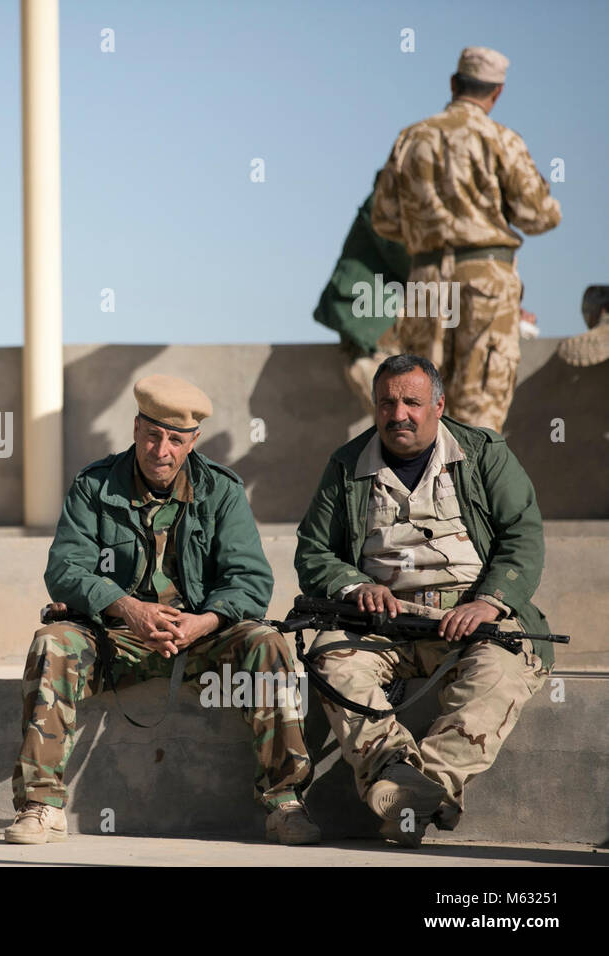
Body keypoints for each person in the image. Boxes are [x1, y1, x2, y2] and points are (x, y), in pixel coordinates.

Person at [6, 376, 319, 846]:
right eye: (152, 435)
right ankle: (41, 804)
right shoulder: (95, 486)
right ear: (135, 428)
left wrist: (204, 622)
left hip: (201, 640)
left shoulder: (222, 491)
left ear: (193, 442)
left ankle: (285, 802)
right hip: (116, 638)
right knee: (53, 642)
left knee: (267, 644)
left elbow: (250, 580)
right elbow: (65, 569)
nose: (162, 450)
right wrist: (126, 607)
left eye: (176, 439)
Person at [295, 354, 551, 847]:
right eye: (387, 403)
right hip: (381, 623)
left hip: (469, 617)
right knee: (330, 657)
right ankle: (395, 773)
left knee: (501, 671)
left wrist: (489, 602)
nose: (398, 415)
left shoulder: (483, 453)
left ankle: (417, 788)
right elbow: (313, 550)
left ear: (438, 405)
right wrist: (355, 585)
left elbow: (522, 534)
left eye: (411, 402)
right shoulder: (347, 464)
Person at [371, 46, 561, 432]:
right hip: (486, 285)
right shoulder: (501, 140)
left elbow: (383, 219)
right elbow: (540, 216)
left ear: (454, 83)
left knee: (418, 415)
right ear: (497, 92)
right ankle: (470, 492)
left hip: (426, 285)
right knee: (478, 417)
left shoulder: (411, 138)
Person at [313, 179, 410, 413]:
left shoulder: (399, 193)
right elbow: (407, 258)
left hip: (375, 314)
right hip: (370, 316)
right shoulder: (390, 195)